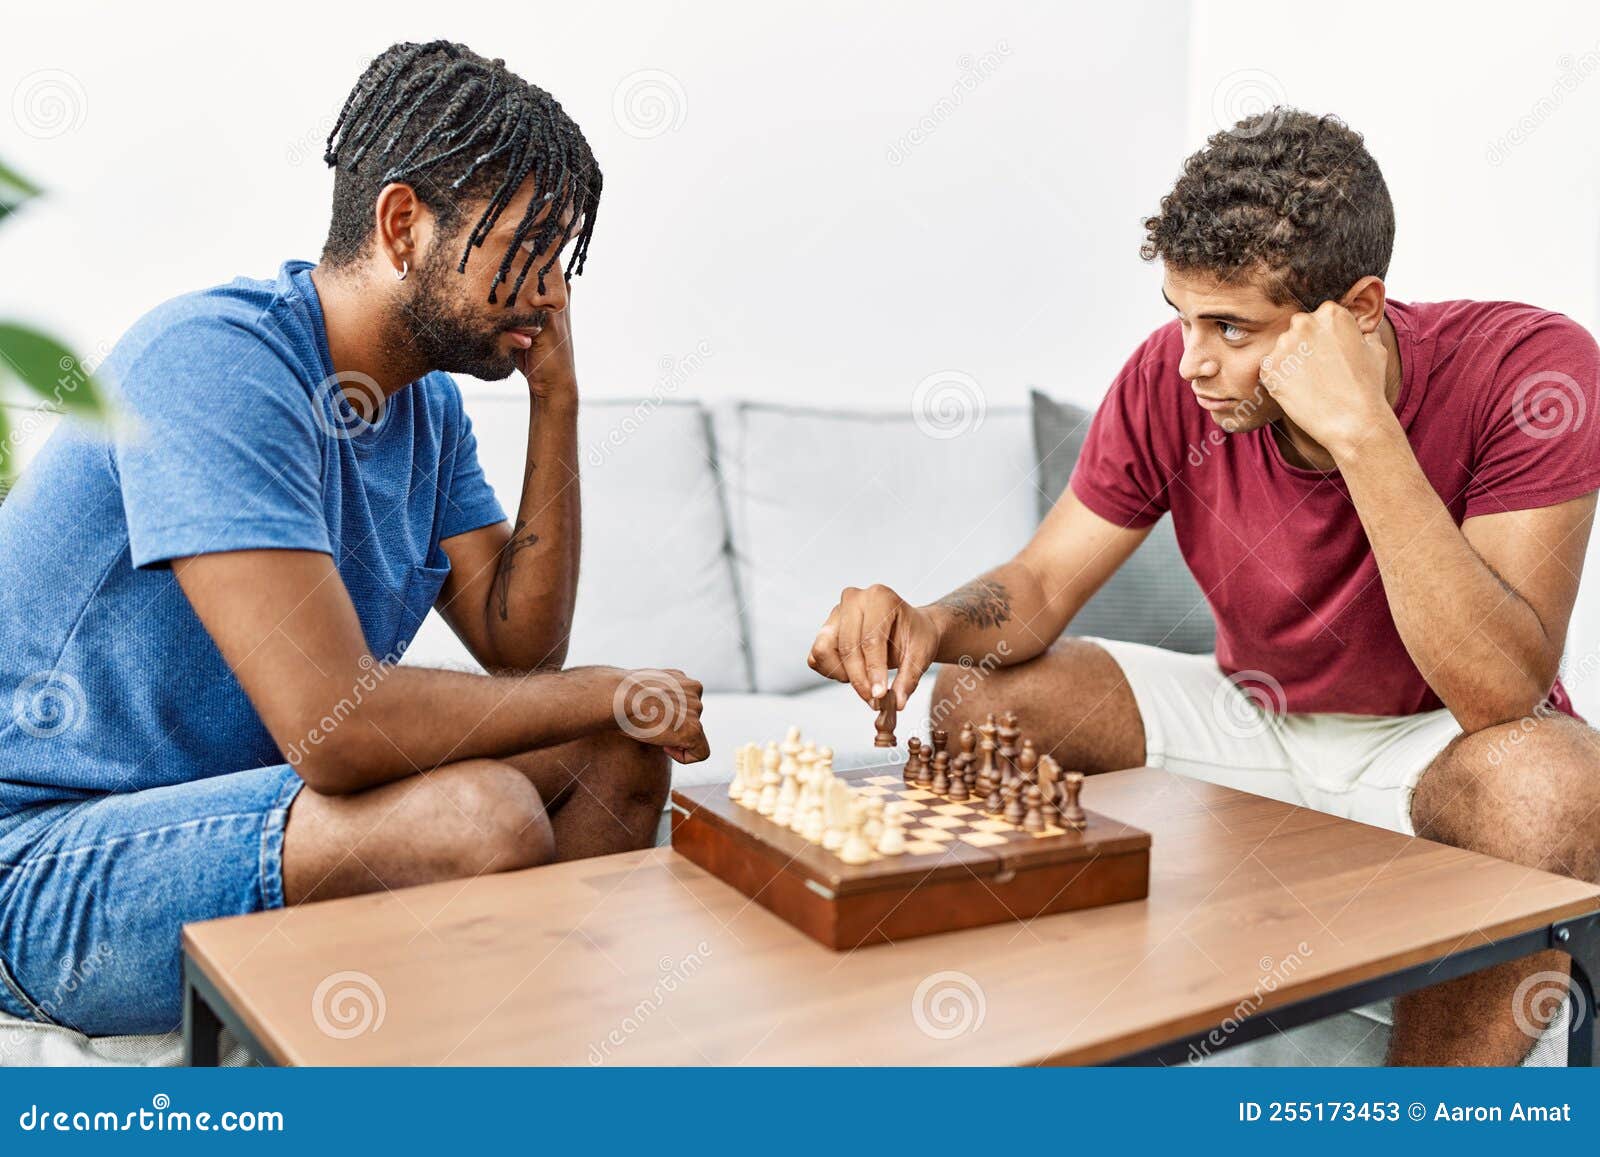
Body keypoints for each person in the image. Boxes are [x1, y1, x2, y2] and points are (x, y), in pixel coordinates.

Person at [809, 109, 1600, 1066]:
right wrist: (932, 621)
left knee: (1553, 788)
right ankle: (1092, 1050)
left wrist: (1362, 434)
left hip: (1435, 741)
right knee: (988, 700)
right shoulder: (1168, 379)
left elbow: (1498, 691)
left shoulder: (1530, 366)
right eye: (1181, 317)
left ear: (1356, 311)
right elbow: (1045, 582)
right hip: (1253, 715)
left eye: (1231, 326)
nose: (1194, 362)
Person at [0, 40, 707, 1037]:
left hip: (240, 818)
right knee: (481, 815)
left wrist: (558, 397)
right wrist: (607, 682)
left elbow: (520, 645)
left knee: (615, 749)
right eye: (527, 248)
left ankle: (541, 1063)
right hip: (39, 861)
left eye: (563, 258)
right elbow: (334, 724)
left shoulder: (422, 414)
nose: (551, 288)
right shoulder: (214, 361)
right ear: (402, 224)